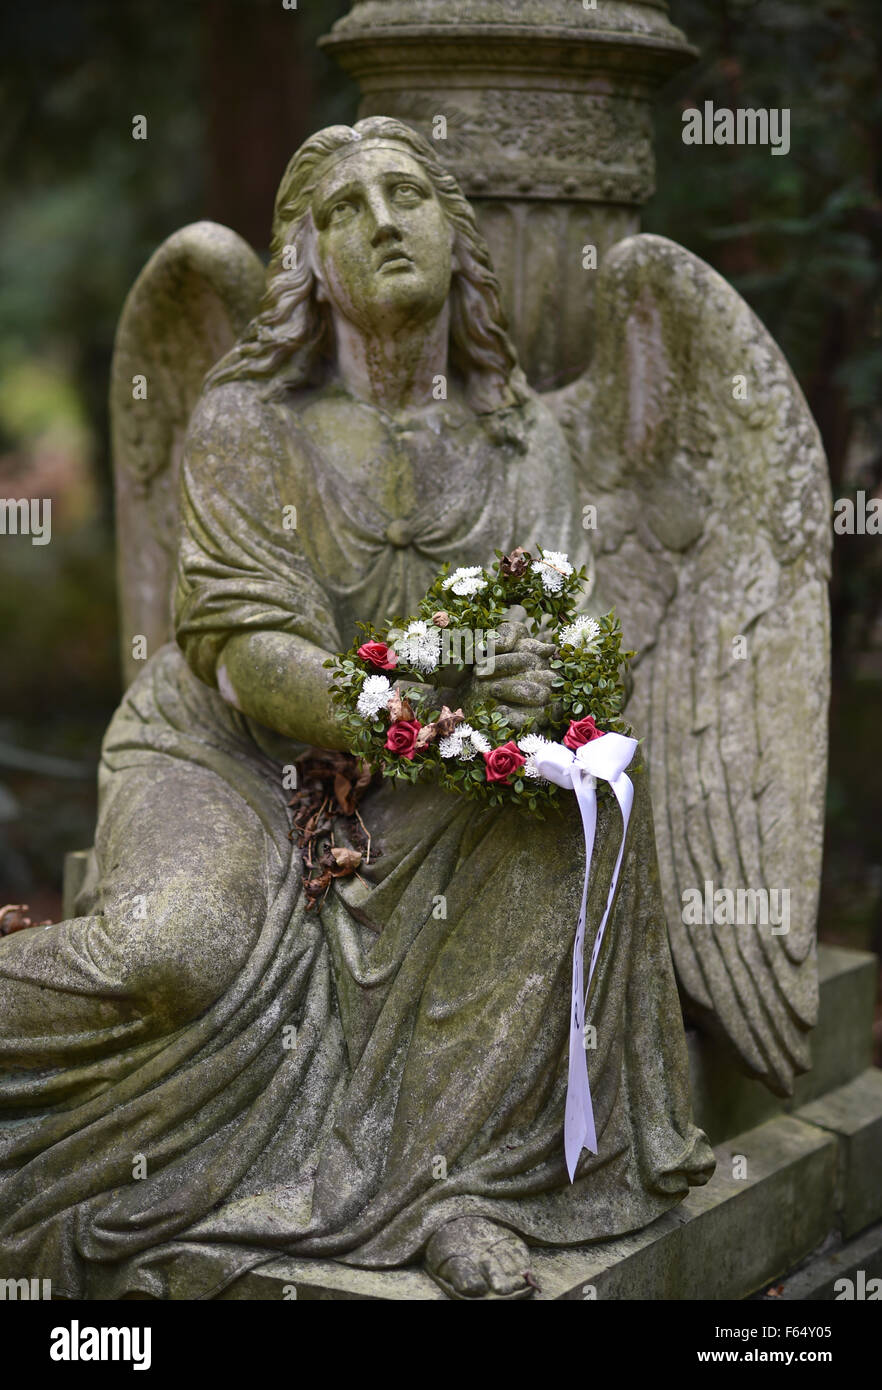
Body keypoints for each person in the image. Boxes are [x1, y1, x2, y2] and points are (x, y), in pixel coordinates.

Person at [0, 118, 713, 1301]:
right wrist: (437, 718)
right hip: (232, 758)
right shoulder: (247, 422)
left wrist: (545, 691)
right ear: (306, 263)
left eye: (408, 194)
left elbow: (570, 636)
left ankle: (448, 1186)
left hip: (426, 789)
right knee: (179, 949)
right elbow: (250, 660)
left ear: (453, 235)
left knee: (573, 816)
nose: (383, 220)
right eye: (345, 207)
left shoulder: (520, 443)